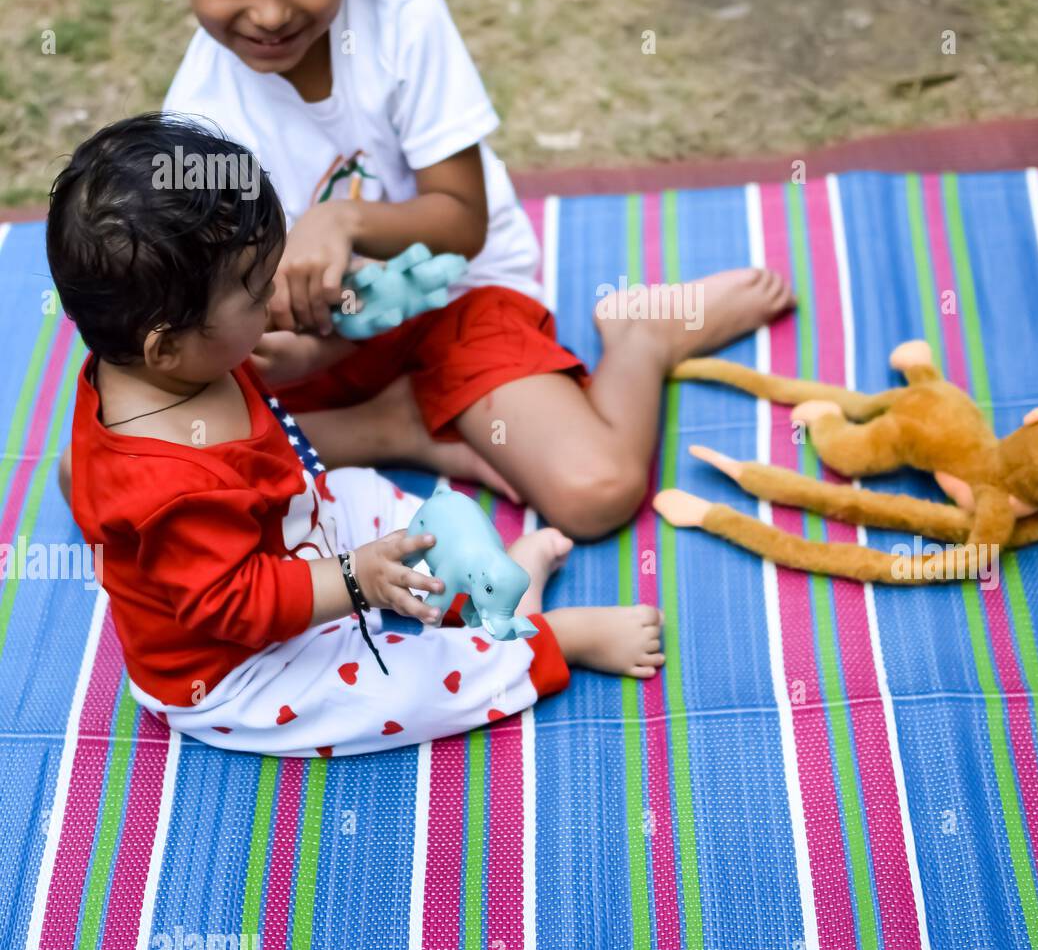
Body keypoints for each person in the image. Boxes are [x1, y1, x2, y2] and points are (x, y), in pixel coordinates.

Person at [147, 0, 796, 539]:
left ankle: (641, 336)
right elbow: (241, 308)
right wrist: (282, 343)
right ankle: (397, 428)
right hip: (332, 349)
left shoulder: (404, 20)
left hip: (456, 299)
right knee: (140, 459)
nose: (273, 12)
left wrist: (344, 223)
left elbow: (460, 223)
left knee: (597, 491)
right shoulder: (195, 122)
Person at [48, 115, 665, 759]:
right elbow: (238, 605)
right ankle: (545, 641)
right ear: (168, 345)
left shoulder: (168, 363)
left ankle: (483, 592)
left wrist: (352, 313)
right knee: (396, 685)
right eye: (258, 294)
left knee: (358, 493)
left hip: (292, 538)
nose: (272, 302)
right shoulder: (163, 486)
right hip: (241, 667)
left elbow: (269, 394)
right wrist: (354, 579)